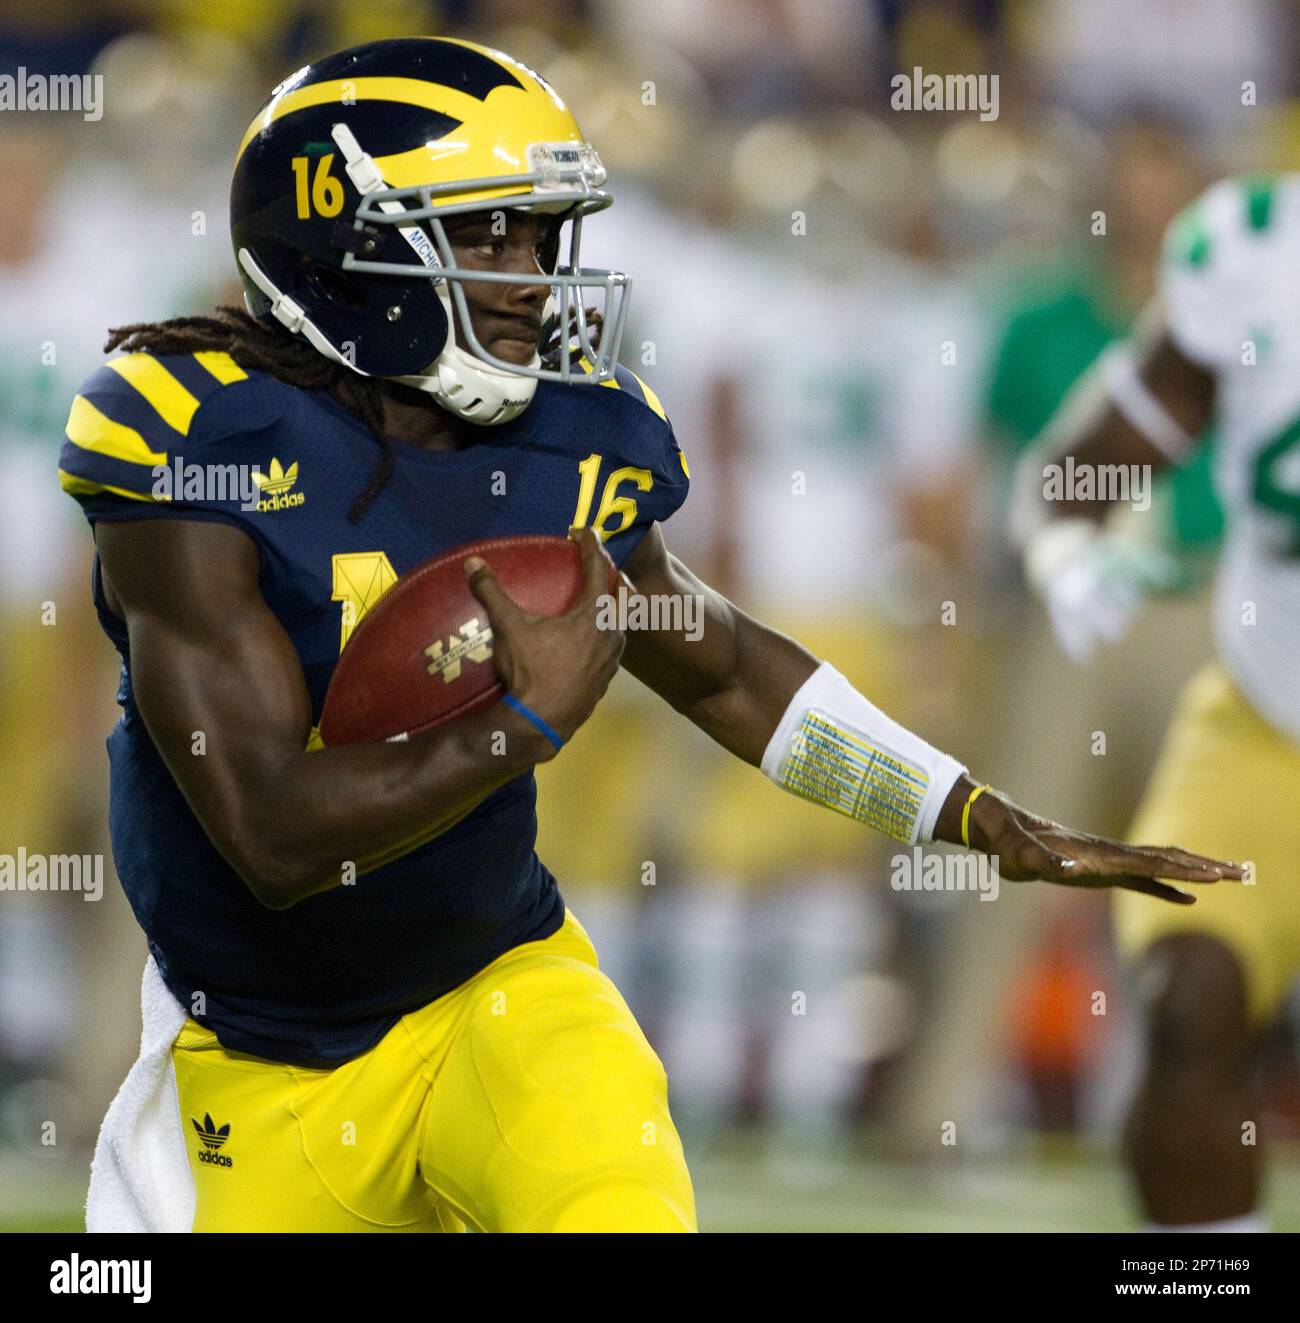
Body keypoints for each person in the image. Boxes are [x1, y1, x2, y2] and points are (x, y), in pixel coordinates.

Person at [59, 37, 1240, 1233]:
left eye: (537, 235)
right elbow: (266, 830)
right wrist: (517, 728)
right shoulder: (192, 439)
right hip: (257, 1056)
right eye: (484, 237)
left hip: (494, 990)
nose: (530, 278)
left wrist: (963, 811)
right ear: (342, 248)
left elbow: (720, 665)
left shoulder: (564, 439)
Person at [1015, 172, 1300, 1231]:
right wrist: (1068, 556)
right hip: (1272, 711)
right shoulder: (1254, 249)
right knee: (1188, 999)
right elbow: (1080, 470)